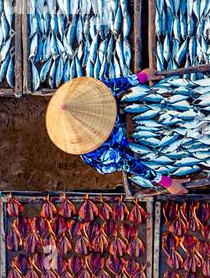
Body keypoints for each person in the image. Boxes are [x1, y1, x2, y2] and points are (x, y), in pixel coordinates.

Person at [45, 68, 189, 195]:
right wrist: (167, 182)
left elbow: (113, 85)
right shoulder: (99, 155)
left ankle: (124, 140)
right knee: (121, 155)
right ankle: (123, 144)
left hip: (115, 132)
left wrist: (142, 77)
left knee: (121, 132)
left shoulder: (90, 94)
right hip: (108, 155)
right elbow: (130, 164)